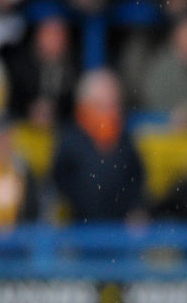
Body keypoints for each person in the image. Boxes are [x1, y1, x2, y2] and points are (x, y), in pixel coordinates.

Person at [51, 68, 147, 223]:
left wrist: (137, 209)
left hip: (119, 233)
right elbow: (59, 185)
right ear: (86, 105)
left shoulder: (126, 140)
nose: (111, 111)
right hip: (77, 231)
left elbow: (136, 181)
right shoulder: (69, 140)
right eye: (103, 105)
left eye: (114, 104)